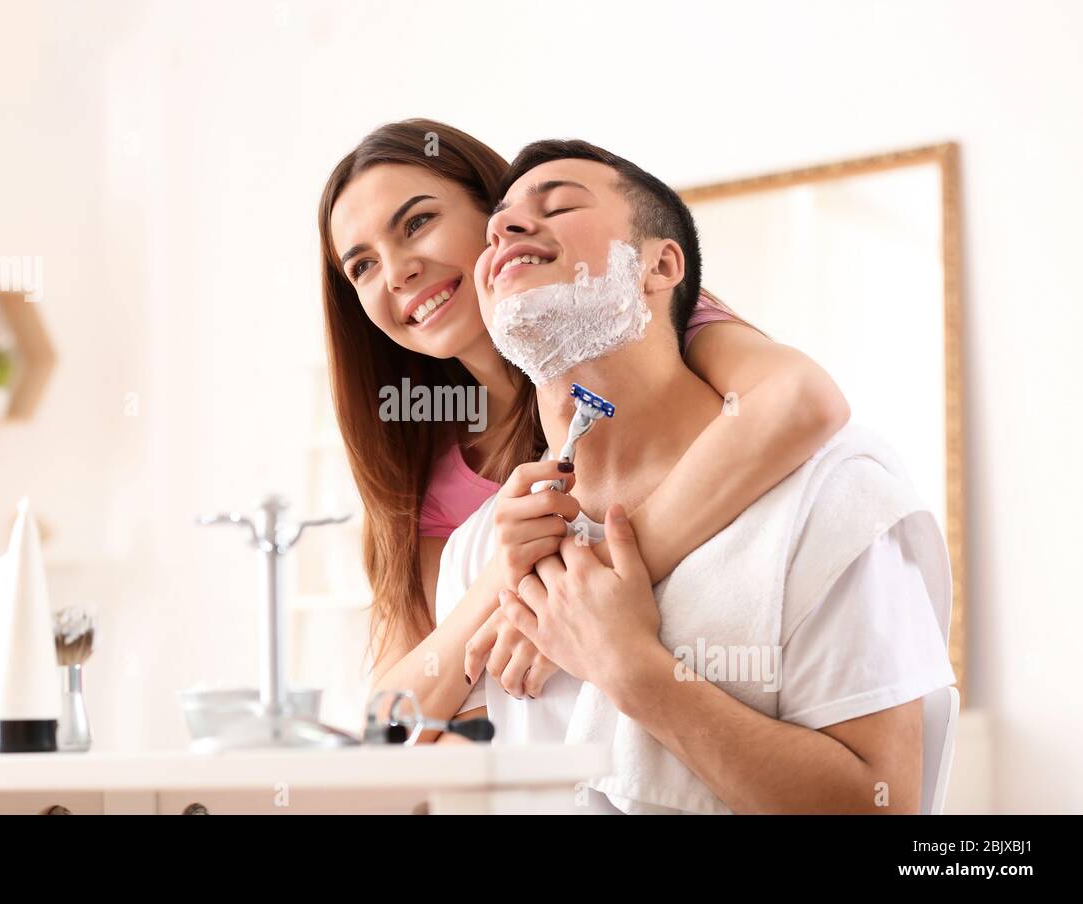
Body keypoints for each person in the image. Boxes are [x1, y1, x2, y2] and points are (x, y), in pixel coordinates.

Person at [434, 138, 956, 813]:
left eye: (559, 204)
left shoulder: (831, 498)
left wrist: (636, 673)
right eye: (494, 223)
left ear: (660, 265)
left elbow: (879, 807)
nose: (503, 228)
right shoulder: (482, 550)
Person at [320, 119, 850, 728]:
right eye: (360, 267)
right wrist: (505, 581)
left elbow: (802, 399)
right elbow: (393, 720)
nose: (396, 273)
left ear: (499, 213)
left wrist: (580, 586)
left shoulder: (637, 316)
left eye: (418, 223)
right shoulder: (427, 456)